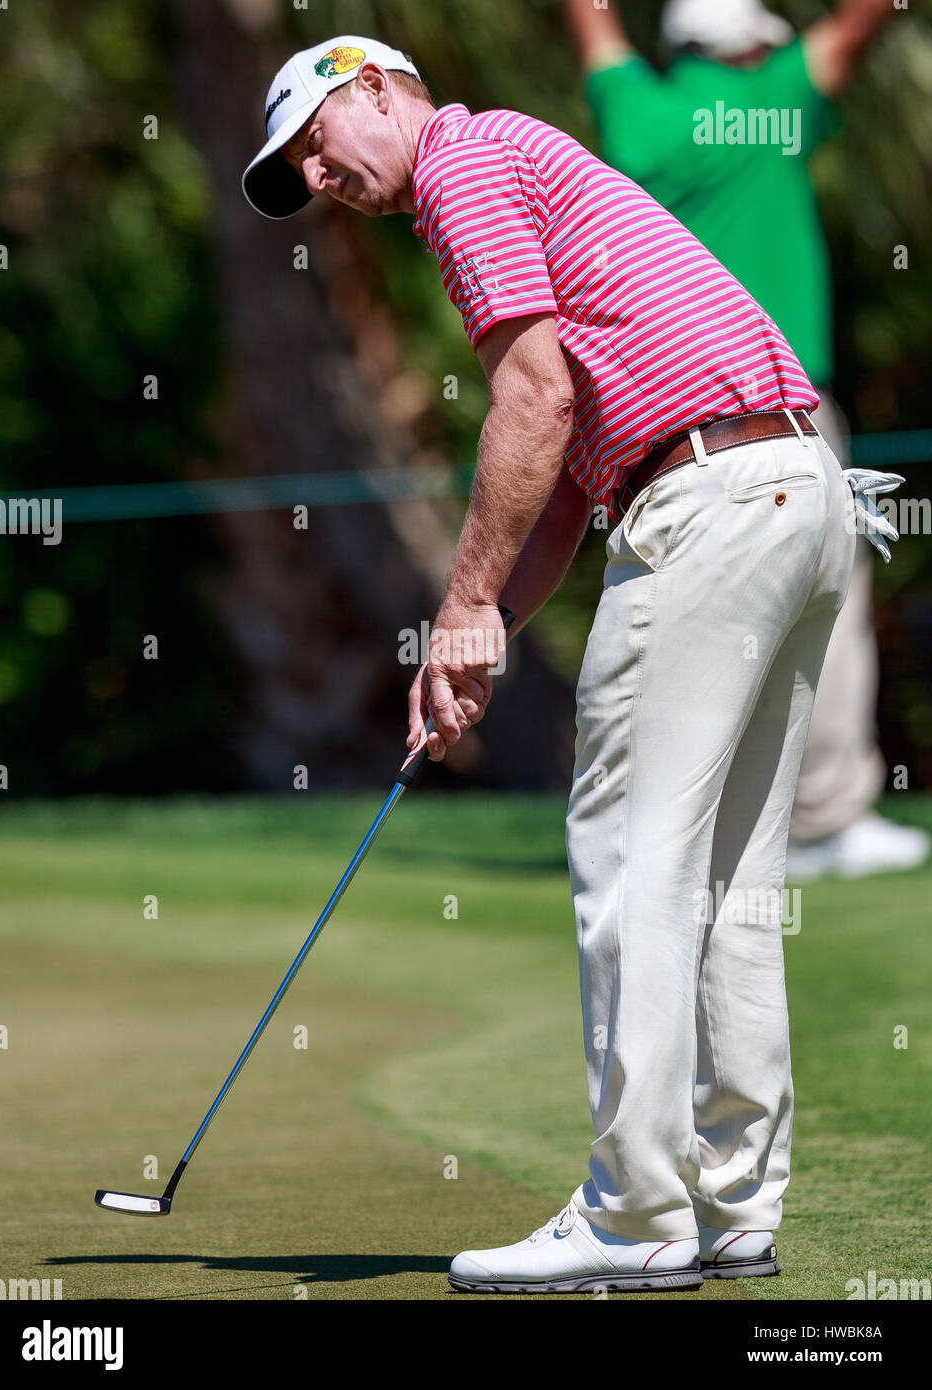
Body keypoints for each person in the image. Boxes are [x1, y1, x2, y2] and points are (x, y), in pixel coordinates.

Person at [241, 34, 900, 1292]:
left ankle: (635, 1210)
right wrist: (476, 638)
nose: (318, 178)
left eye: (314, 145)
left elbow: (531, 401)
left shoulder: (460, 163)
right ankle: (735, 1199)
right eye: (295, 172)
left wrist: (461, 606)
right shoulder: (526, 160)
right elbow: (554, 491)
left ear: (370, 86)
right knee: (731, 875)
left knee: (629, 855)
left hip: (713, 500)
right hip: (795, 489)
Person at [565, 0, 929, 879]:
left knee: (695, 616)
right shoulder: (768, 105)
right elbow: (855, 26)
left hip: (660, 430)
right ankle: (821, 822)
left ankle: (696, 831)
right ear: (748, 47)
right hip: (784, 409)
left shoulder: (638, 112)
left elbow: (594, 27)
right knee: (822, 604)